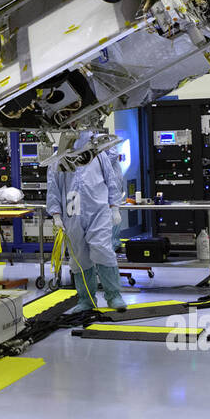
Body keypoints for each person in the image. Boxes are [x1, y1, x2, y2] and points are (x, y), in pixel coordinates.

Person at [47, 132, 125, 311]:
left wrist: (114, 207)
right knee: (79, 256)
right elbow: (53, 187)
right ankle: (86, 300)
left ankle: (114, 296)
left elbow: (111, 180)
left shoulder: (99, 155)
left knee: (102, 249)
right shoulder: (59, 158)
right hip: (73, 211)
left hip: (98, 209)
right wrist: (56, 215)